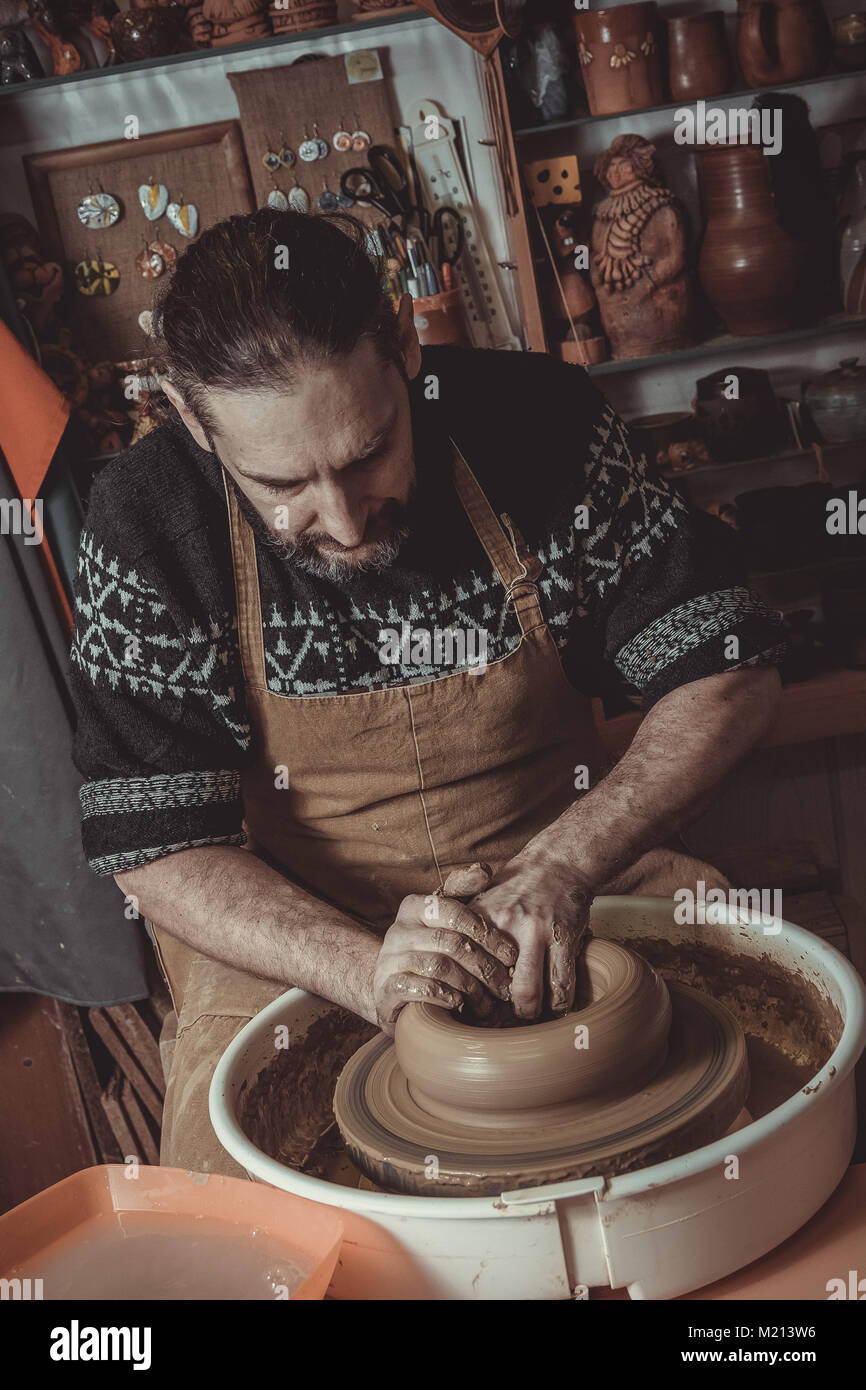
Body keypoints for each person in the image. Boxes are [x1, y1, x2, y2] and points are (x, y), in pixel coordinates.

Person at [70, 209, 784, 1175]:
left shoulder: (539, 423)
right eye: (283, 483)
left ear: (405, 342)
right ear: (194, 420)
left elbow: (728, 665)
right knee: (235, 1216)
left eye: (368, 454)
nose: (346, 521)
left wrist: (568, 863)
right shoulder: (148, 520)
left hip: (559, 871)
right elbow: (153, 846)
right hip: (299, 930)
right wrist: (368, 971)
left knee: (763, 1085)